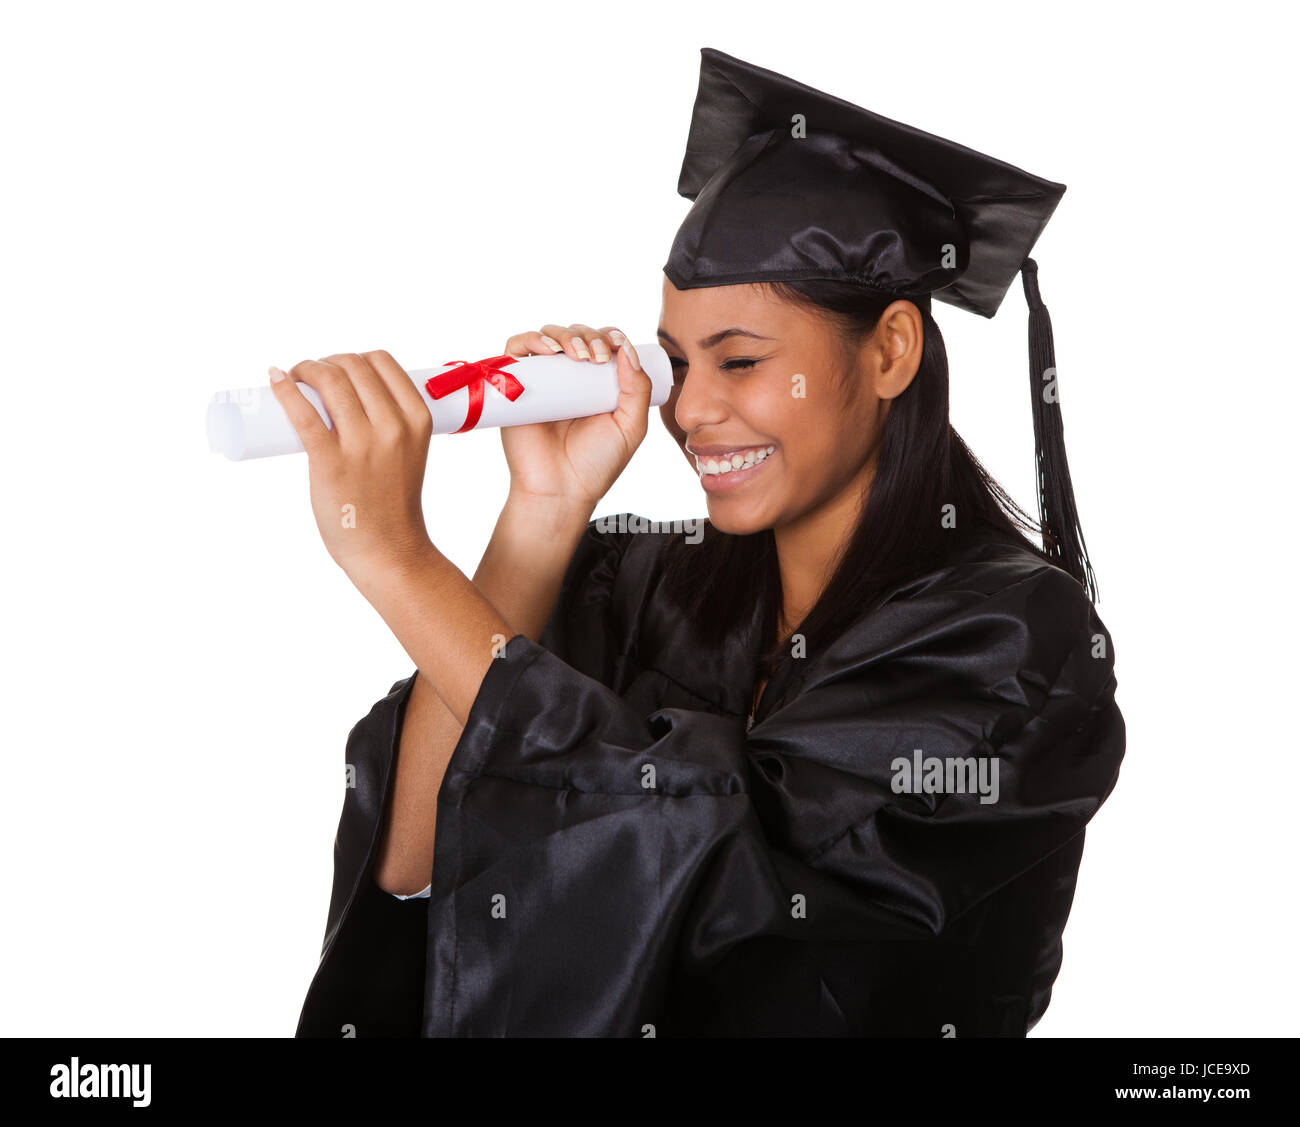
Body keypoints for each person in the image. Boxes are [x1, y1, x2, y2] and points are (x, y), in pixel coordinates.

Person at [285, 47, 1125, 1037]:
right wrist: (538, 519)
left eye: (740, 359)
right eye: (676, 361)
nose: (690, 408)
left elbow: (716, 864)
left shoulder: (1010, 641)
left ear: (891, 348)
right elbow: (414, 863)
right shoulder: (637, 584)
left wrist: (397, 562)